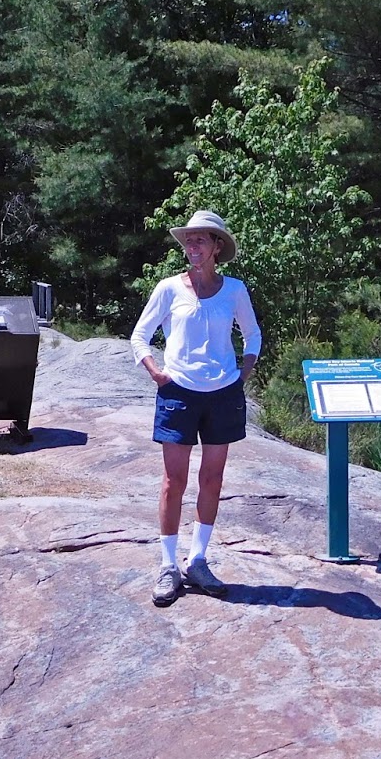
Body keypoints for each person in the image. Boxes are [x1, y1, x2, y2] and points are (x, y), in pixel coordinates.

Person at [130, 210, 262, 607]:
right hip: (179, 394)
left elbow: (252, 334)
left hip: (223, 394)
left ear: (217, 246)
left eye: (200, 240)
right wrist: (156, 372)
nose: (192, 247)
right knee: (173, 482)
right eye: (189, 240)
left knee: (212, 478)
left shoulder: (234, 290)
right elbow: (140, 335)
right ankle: (168, 565)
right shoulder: (169, 288)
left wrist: (242, 374)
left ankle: (198, 561)